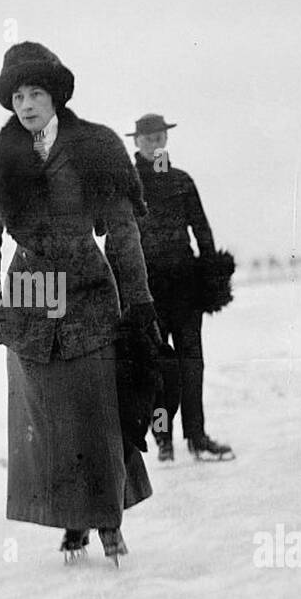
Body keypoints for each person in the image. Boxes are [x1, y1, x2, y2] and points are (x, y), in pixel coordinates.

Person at [0, 42, 160, 565]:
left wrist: (140, 302)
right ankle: (71, 521)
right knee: (49, 422)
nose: (27, 104)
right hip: (30, 305)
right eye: (17, 94)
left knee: (97, 417)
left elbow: (122, 233)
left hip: (88, 300)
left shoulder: (95, 147)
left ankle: (108, 523)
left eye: (36, 92)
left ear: (55, 94)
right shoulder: (4, 158)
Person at [119, 114, 234, 462]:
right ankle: (162, 438)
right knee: (156, 368)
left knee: (191, 363)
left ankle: (197, 436)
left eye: (159, 138)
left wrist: (211, 277)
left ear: (165, 140)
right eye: (147, 138)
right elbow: (118, 236)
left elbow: (202, 230)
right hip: (147, 291)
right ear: (136, 142)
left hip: (185, 288)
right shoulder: (127, 185)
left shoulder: (182, 181)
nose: (154, 143)